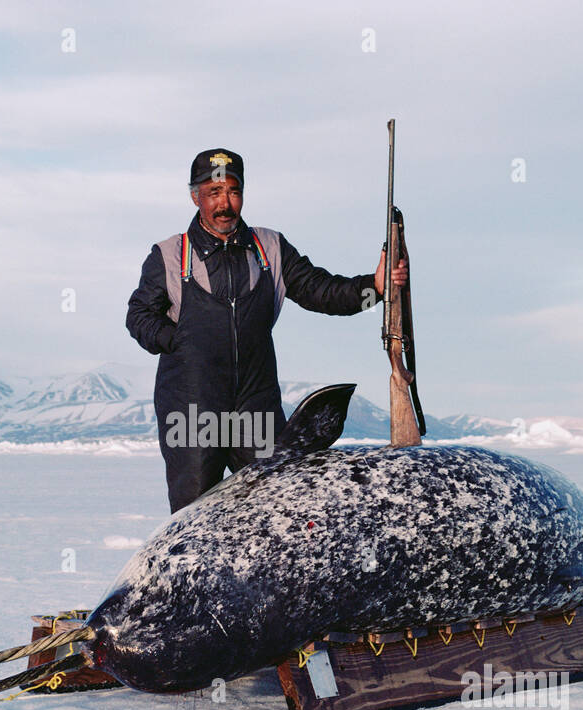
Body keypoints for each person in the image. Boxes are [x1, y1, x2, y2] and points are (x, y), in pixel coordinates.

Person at [126, 148, 407, 513]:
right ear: (195, 196)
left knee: (276, 506)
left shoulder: (270, 247)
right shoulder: (168, 255)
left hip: (254, 407)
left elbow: (320, 290)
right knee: (192, 515)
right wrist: (174, 340)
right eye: (214, 193)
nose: (225, 203)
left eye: (233, 191)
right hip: (192, 409)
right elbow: (139, 315)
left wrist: (375, 288)